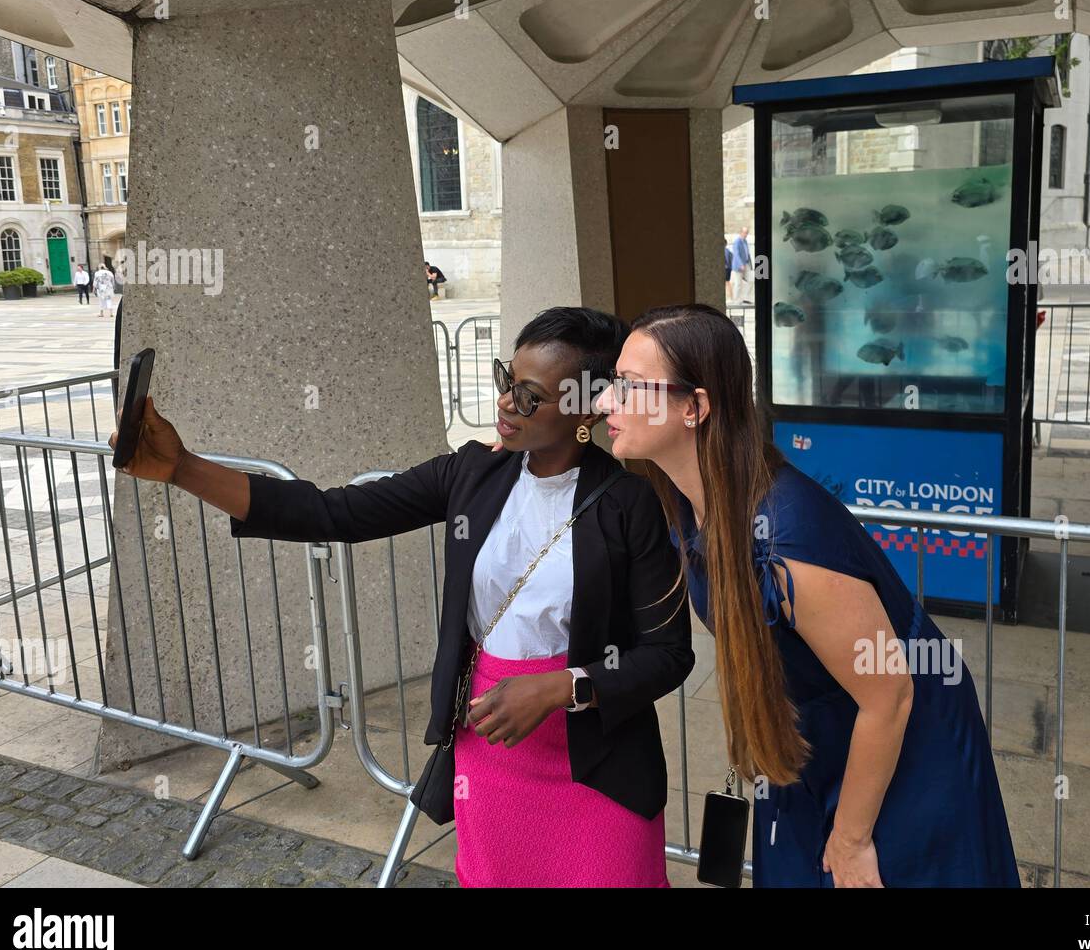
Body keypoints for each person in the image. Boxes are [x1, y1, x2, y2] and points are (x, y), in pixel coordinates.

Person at [108, 306, 693, 888]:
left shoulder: (628, 505)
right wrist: (182, 468)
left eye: (530, 397)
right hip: (490, 747)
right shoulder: (472, 473)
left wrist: (560, 686)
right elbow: (332, 511)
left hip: (599, 766)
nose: (506, 404)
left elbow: (667, 654)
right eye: (505, 382)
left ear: (585, 408)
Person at [595, 303, 1020, 888]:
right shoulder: (691, 503)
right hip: (810, 742)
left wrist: (851, 840)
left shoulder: (788, 539)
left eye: (629, 387)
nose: (602, 403)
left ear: (694, 407)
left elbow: (891, 693)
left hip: (899, 751)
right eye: (612, 383)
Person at [728, 226, 752, 303]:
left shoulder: (745, 241)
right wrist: (741, 264)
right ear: (741, 232)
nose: (746, 234)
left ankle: (746, 298)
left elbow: (747, 253)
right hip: (739, 266)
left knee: (750, 280)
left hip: (746, 264)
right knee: (738, 283)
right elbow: (736, 254)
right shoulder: (737, 242)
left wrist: (749, 263)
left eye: (747, 233)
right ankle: (736, 299)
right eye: (745, 232)